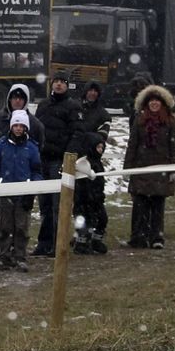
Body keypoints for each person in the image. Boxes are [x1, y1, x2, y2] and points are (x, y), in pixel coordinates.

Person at [0, 84, 42, 265]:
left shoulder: (32, 146)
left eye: (21, 98)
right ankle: (2, 255)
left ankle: (20, 255)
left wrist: (33, 189)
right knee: (3, 225)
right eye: (14, 97)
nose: (17, 100)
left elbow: (37, 168)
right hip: (5, 189)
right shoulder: (0, 138)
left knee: (22, 226)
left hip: (23, 191)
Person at [124, 84, 175, 249]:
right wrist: (128, 168)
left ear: (162, 103)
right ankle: (138, 237)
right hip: (141, 168)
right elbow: (132, 145)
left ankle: (157, 237)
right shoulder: (139, 121)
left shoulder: (170, 121)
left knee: (157, 205)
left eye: (157, 101)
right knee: (139, 204)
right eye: (151, 101)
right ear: (146, 103)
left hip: (161, 170)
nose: (154, 104)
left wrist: (174, 169)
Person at [32, 74, 79, 256]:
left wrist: (69, 157)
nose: (58, 85)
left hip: (60, 160)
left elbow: (77, 133)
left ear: (67, 86)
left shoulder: (72, 107)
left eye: (62, 82)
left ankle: (59, 243)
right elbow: (35, 129)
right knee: (44, 204)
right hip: (42, 159)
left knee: (58, 204)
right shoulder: (43, 105)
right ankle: (44, 243)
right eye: (56, 81)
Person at [69, 81, 112, 254]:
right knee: (79, 203)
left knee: (96, 201)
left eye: (95, 91)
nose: (92, 94)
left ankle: (96, 236)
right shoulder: (76, 109)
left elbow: (100, 139)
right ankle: (81, 237)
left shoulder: (103, 115)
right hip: (77, 163)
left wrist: (84, 138)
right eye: (90, 90)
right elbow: (72, 133)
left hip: (95, 164)